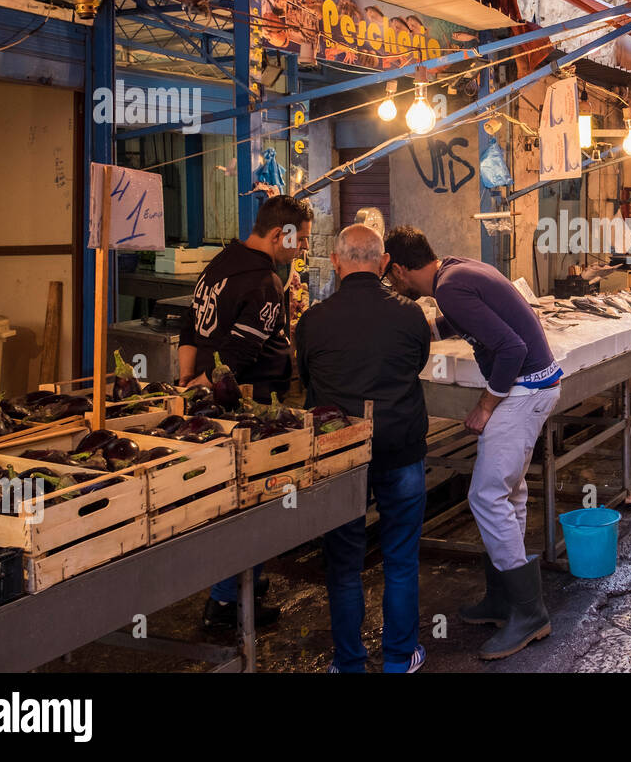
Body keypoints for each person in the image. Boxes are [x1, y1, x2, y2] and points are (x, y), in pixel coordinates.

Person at [383, 227, 562, 660]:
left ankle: (529, 612)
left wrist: (485, 406)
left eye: (389, 274)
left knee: (485, 493)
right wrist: (419, 330)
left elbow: (510, 347)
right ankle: (503, 597)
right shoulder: (456, 271)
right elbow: (465, 321)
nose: (390, 282)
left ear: (402, 269)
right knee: (509, 492)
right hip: (537, 385)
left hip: (525, 390)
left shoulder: (449, 286)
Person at [295, 225, 430, 673]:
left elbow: (309, 381)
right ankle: (398, 658)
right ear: (384, 263)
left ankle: (349, 663)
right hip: (401, 449)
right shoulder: (411, 315)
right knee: (401, 558)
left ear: (335, 262)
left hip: (339, 454)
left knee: (343, 563)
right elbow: (416, 365)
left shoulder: (312, 321)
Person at [179, 193, 312, 631]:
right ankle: (223, 605)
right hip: (248, 409)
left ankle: (247, 594)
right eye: (302, 240)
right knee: (250, 503)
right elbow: (235, 356)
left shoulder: (220, 263)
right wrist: (207, 384)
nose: (305, 249)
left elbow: (191, 324)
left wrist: (187, 382)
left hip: (212, 403)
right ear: (279, 235)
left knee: (238, 500)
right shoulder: (264, 283)